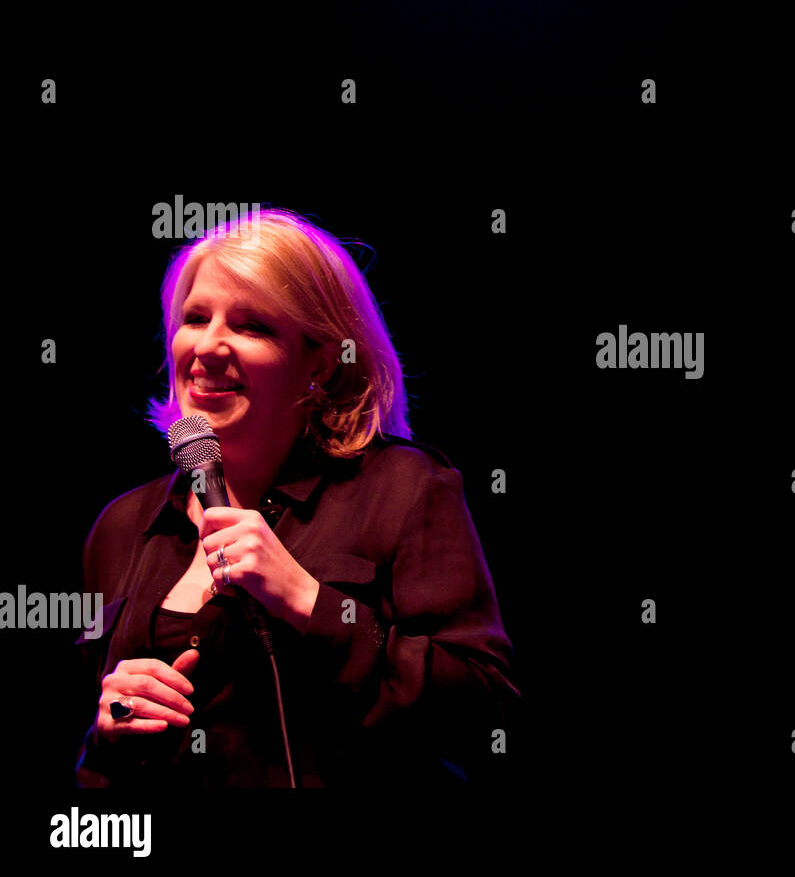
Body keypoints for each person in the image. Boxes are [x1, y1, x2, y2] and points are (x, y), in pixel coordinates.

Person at [74, 208, 519, 787]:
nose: (207, 347)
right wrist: (109, 732)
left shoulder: (403, 490)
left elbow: (484, 714)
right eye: (195, 317)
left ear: (322, 360)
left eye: (252, 326)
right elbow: (94, 779)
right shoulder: (123, 526)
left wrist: (308, 600)